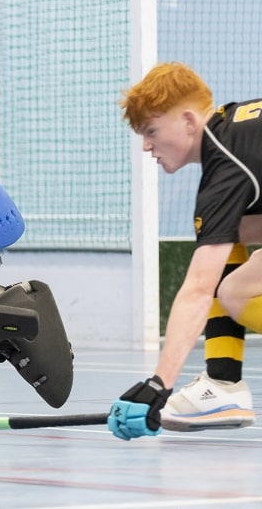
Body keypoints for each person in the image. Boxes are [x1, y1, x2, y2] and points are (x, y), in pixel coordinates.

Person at [109, 61, 258, 441]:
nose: (146, 145)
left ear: (190, 121)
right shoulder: (239, 130)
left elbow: (197, 290)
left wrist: (159, 384)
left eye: (152, 131)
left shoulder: (227, 165)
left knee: (235, 291)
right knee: (235, 230)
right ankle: (223, 384)